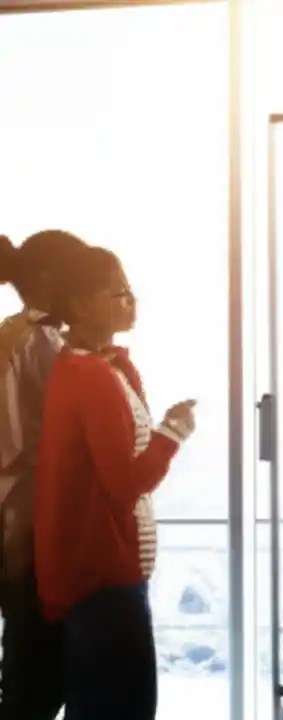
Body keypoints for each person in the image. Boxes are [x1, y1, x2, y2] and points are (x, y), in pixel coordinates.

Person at [34, 244, 196, 719]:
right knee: (127, 706)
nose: (131, 302)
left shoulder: (95, 368)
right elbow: (125, 483)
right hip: (105, 576)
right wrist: (173, 432)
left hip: (98, 575)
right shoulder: (91, 377)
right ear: (82, 305)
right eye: (118, 293)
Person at [0, 230, 85, 719]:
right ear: (52, 280)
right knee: (38, 676)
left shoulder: (16, 334)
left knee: (28, 670)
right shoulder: (44, 344)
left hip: (20, 520)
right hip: (36, 525)